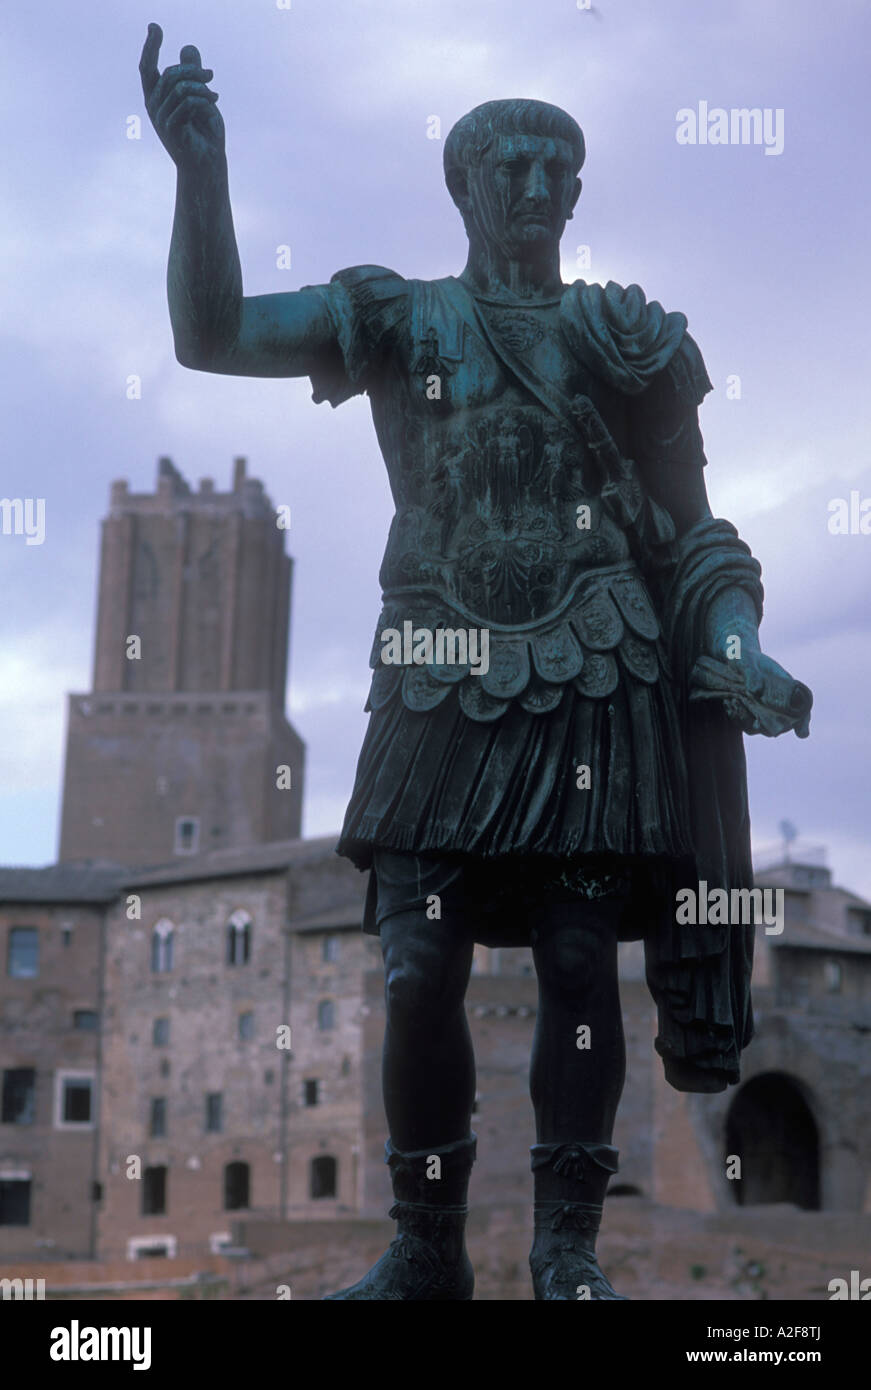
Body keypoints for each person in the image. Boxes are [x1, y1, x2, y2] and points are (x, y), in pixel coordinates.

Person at [140, 24, 812, 1300]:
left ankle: (565, 1249)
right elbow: (210, 332)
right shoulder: (399, 318)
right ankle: (427, 1246)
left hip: (595, 663)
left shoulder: (627, 341)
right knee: (413, 961)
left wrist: (739, 648)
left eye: (550, 167)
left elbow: (696, 541)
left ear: (573, 191)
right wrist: (200, 171)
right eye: (503, 164)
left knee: (574, 953)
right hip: (439, 661)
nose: (529, 185)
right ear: (460, 186)